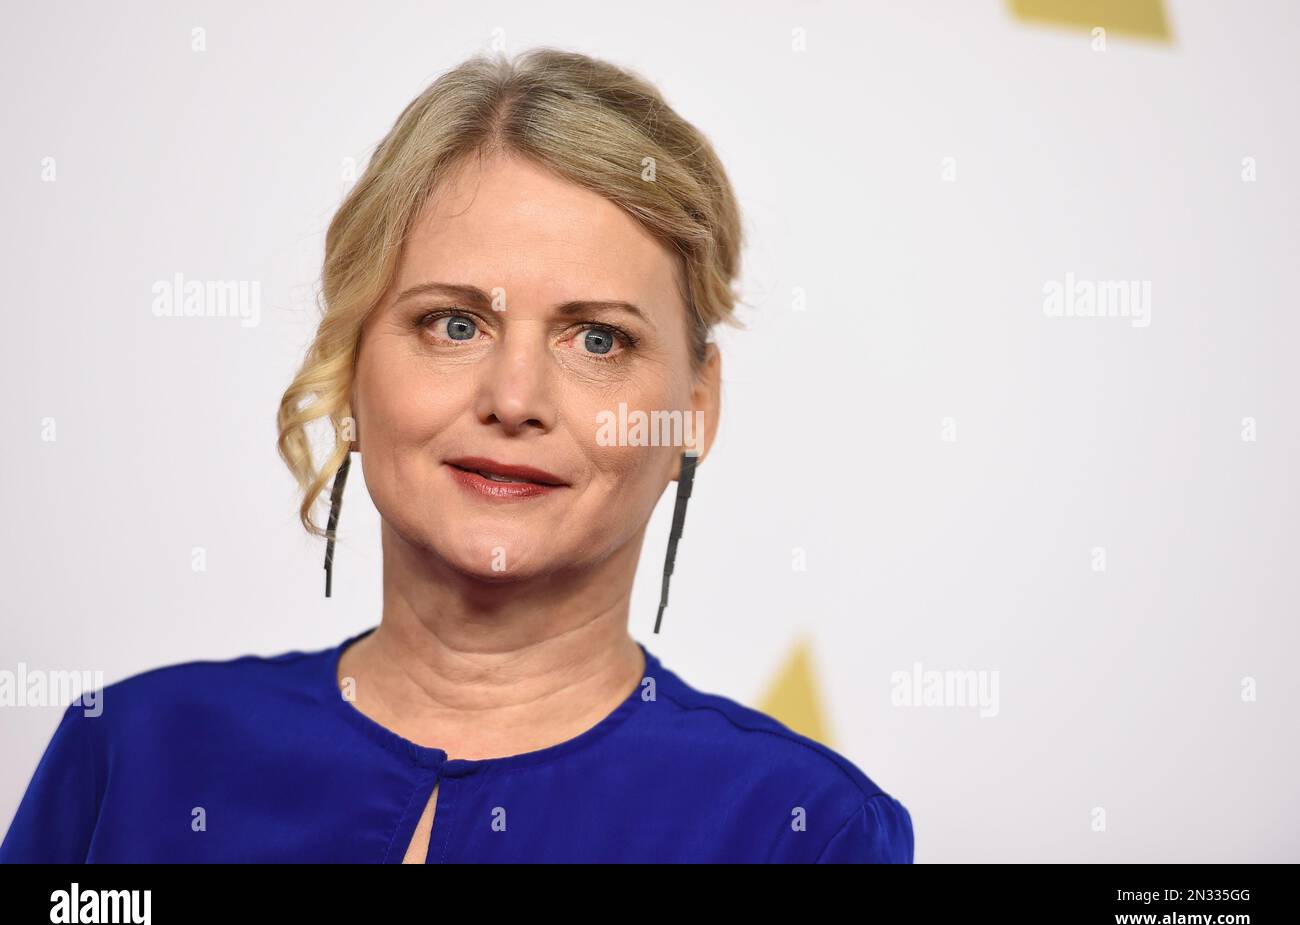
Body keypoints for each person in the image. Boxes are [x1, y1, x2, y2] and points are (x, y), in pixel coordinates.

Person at [0, 47, 912, 863]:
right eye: (454, 323)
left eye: (597, 340)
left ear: (696, 409)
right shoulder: (130, 754)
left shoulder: (802, 828)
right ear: (354, 363)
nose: (512, 400)